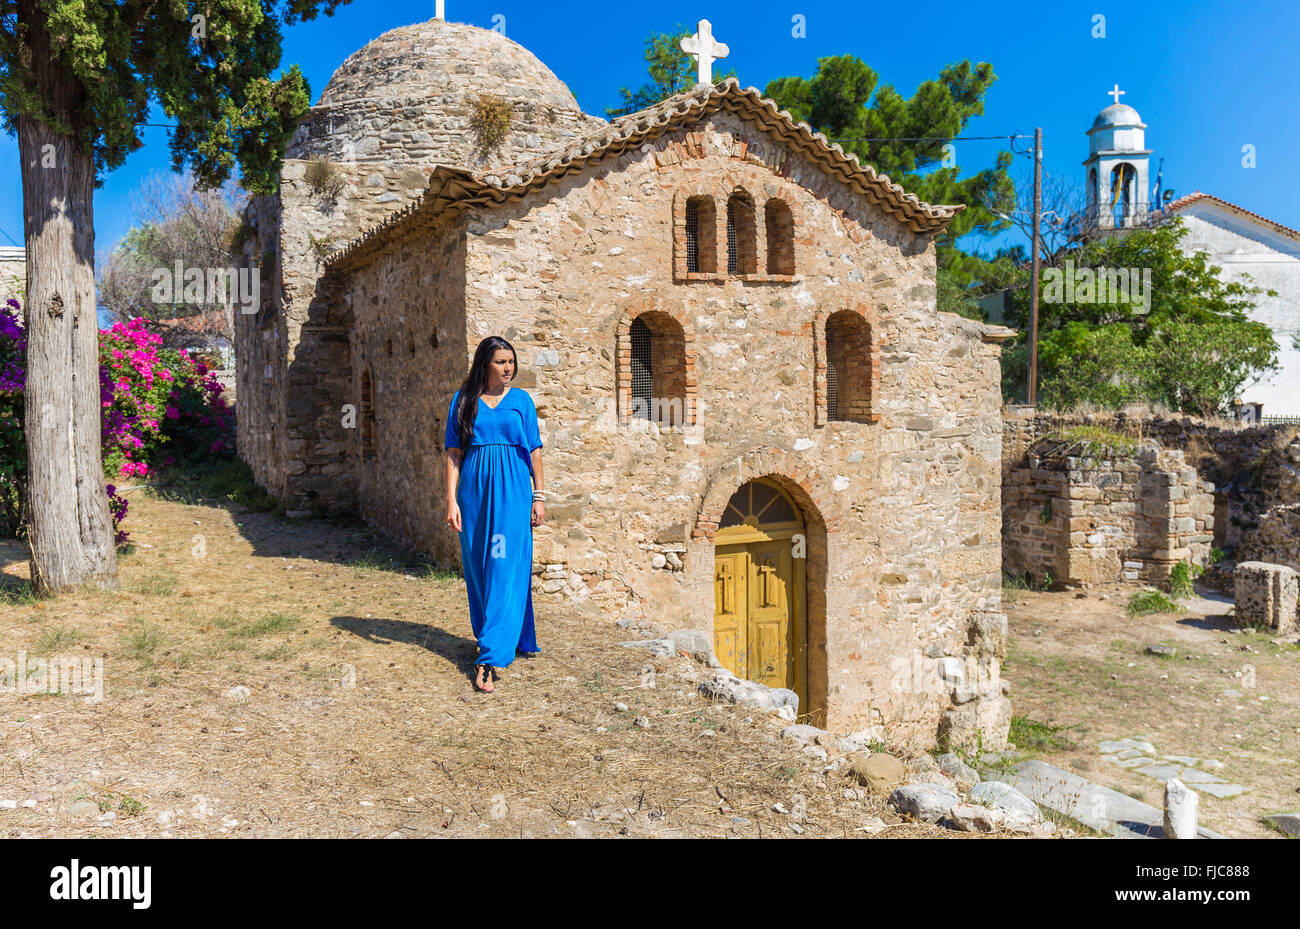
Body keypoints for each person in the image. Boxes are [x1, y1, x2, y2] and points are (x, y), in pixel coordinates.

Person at [444, 337, 546, 693]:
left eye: (511, 362)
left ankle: (489, 657)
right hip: (474, 495)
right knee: (479, 569)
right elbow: (454, 453)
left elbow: (534, 452)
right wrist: (451, 500)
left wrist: (539, 497)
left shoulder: (521, 402)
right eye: (501, 362)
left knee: (505, 565)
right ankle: (498, 633)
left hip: (514, 495)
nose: (508, 368)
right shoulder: (464, 401)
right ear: (484, 364)